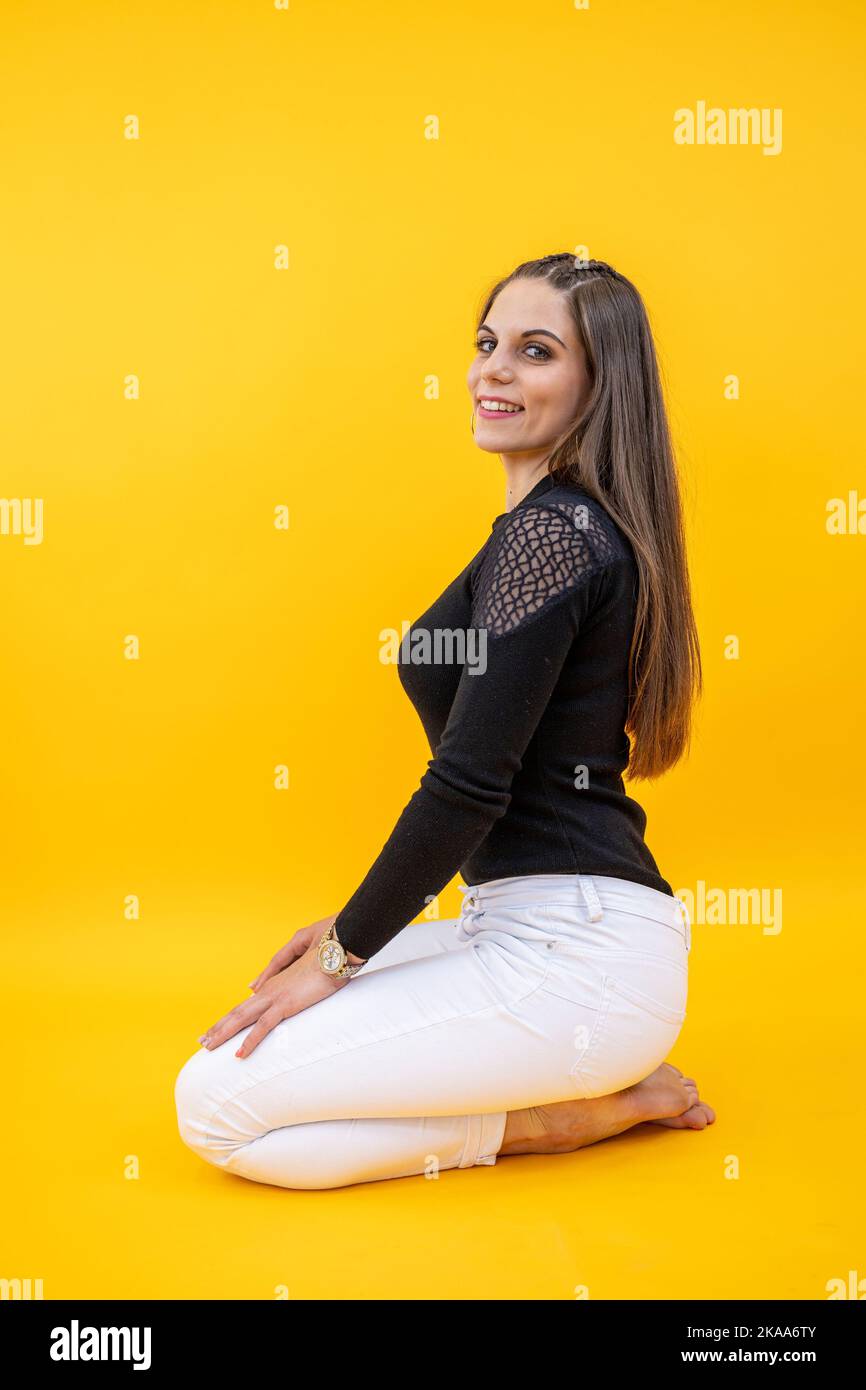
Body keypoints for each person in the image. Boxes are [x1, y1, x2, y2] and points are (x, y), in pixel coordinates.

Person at [174, 253, 715, 1190]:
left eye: (535, 351)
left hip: (577, 957)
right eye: (486, 344)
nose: (492, 371)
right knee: (261, 1017)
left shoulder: (553, 535)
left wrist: (345, 954)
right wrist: (350, 928)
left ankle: (552, 1123)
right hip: (526, 926)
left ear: (598, 385)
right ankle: (574, 1093)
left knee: (214, 1105)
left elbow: (469, 781)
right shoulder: (551, 528)